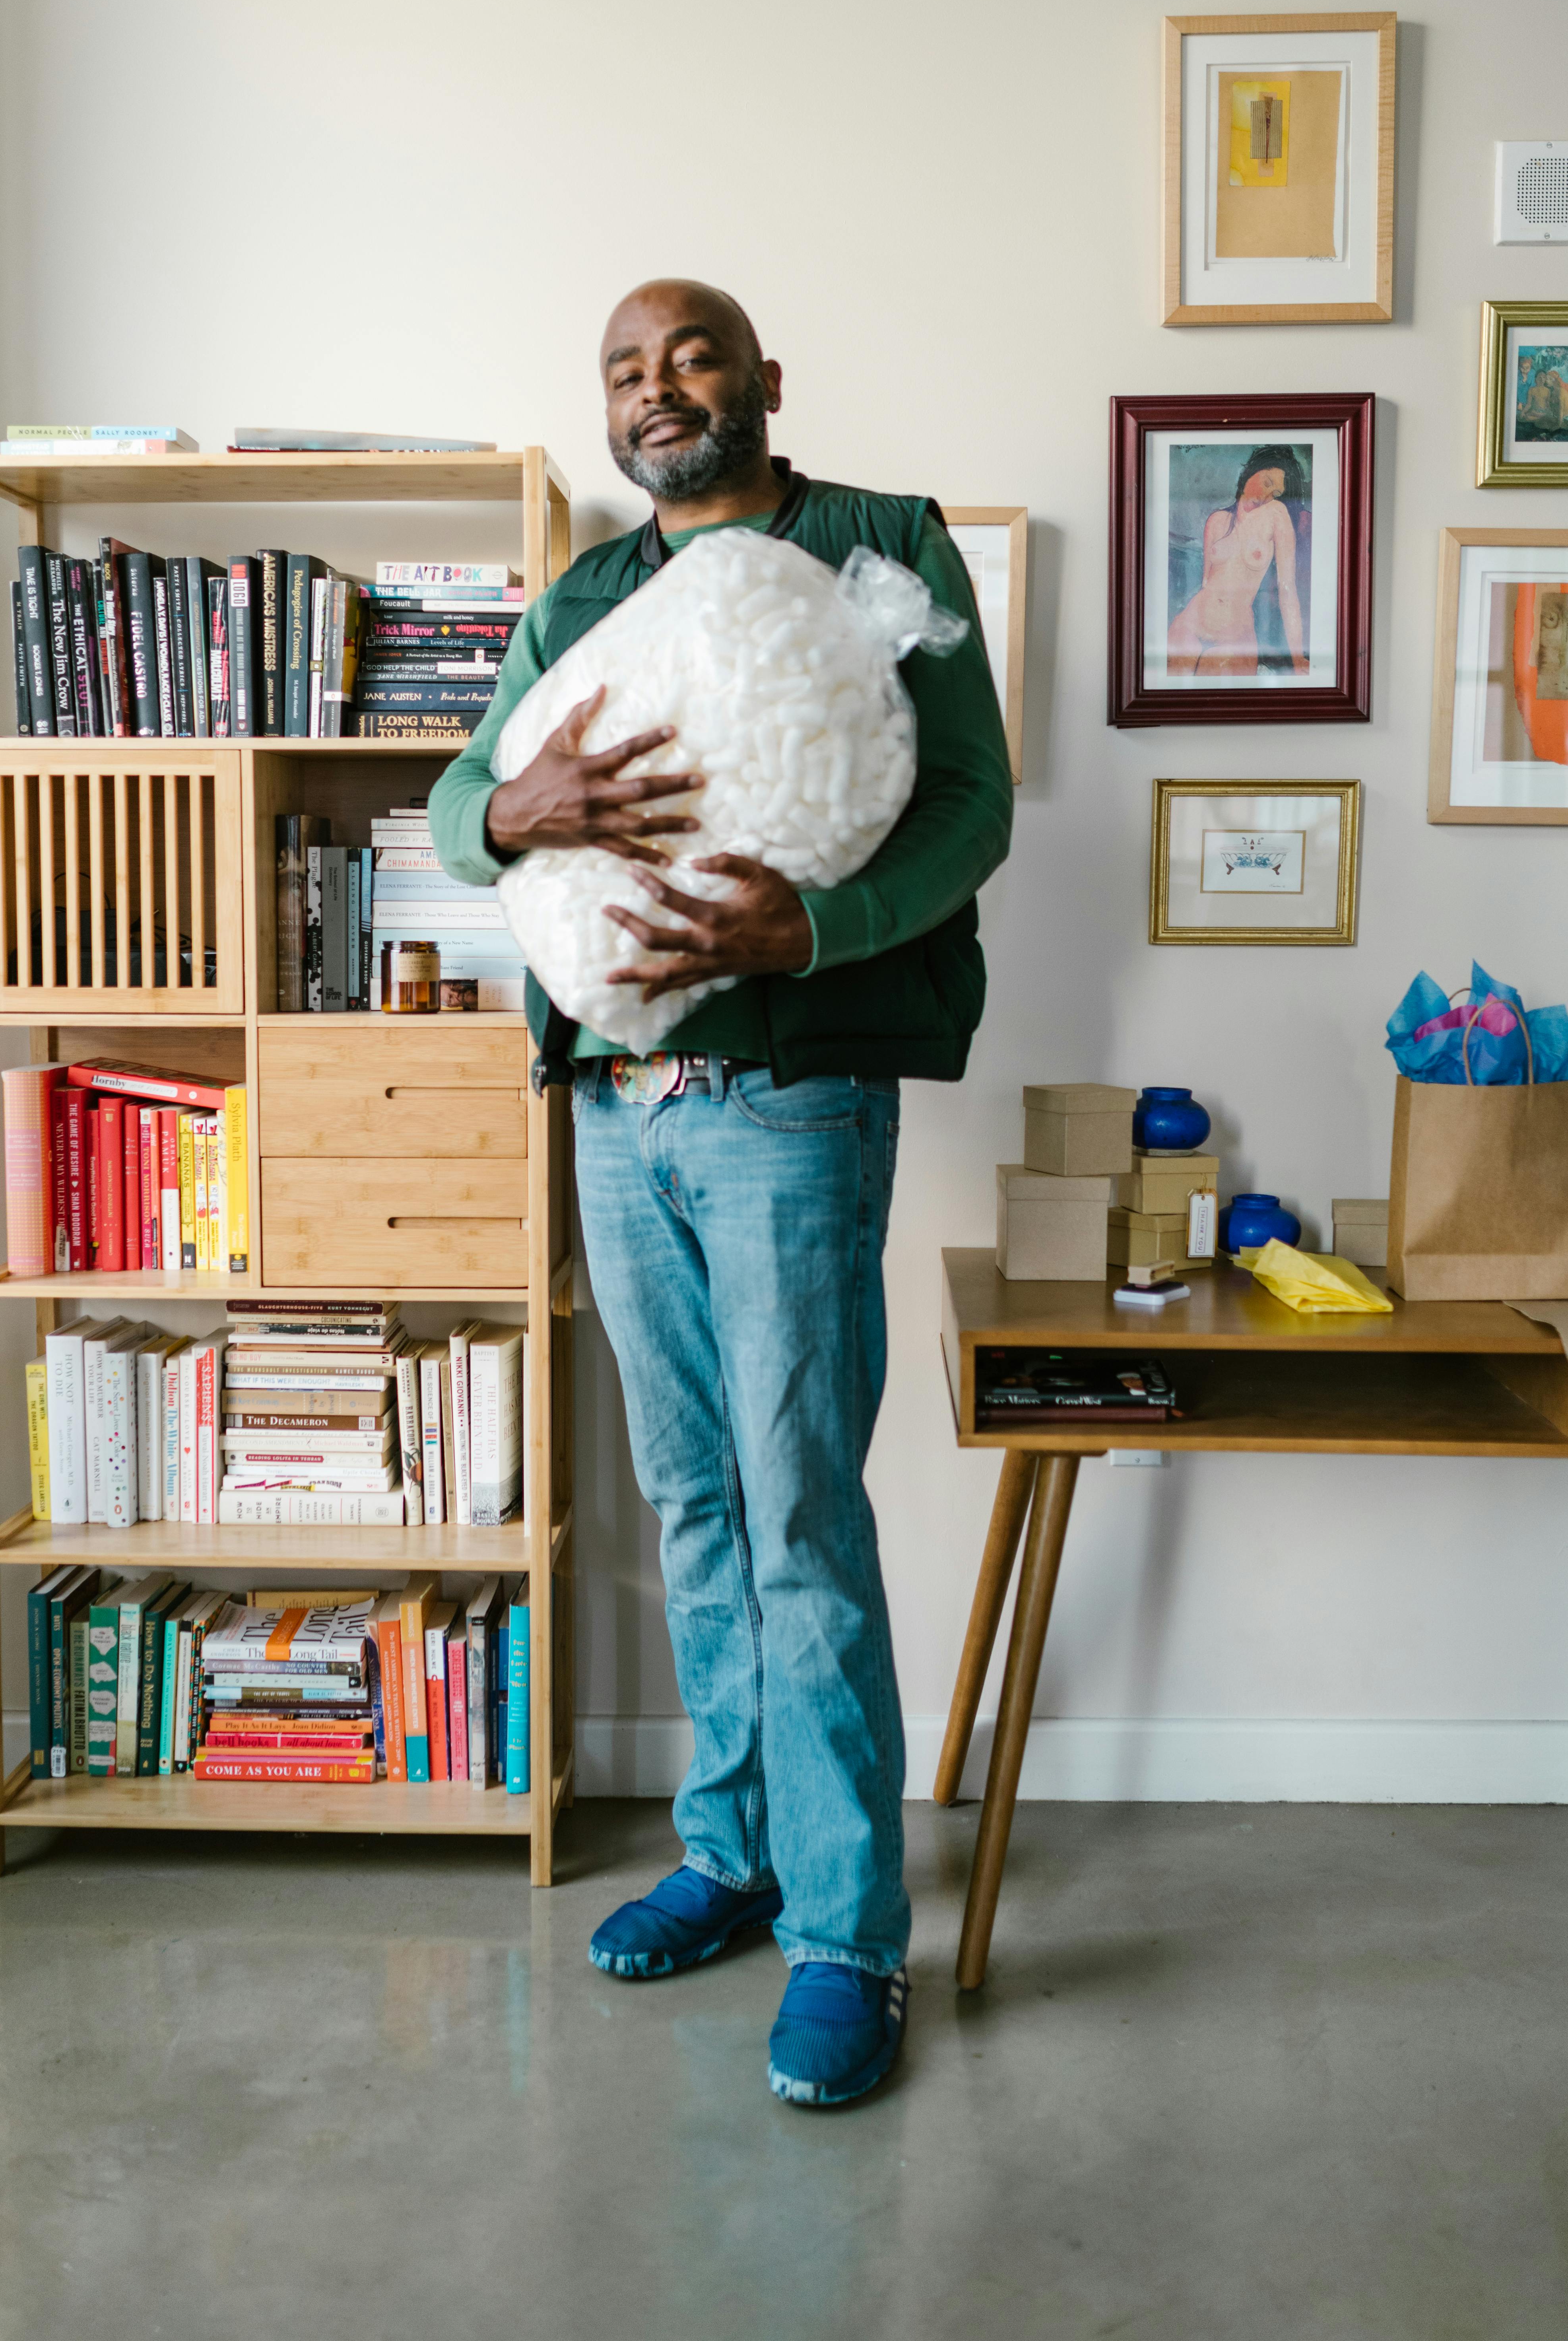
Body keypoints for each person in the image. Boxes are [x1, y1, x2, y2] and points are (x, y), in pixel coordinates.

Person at [429, 279, 1012, 2105]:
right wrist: (510, 814)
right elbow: (457, 801)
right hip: (614, 1102)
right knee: (689, 1495)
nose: (655, 385)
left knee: (794, 1509)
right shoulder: (580, 602)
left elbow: (972, 802)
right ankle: (731, 1845)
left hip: (788, 1098)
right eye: (622, 367)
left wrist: (813, 924)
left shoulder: (879, 544)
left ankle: (844, 1930)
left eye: (689, 353)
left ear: (763, 380)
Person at [1166, 445, 1306, 679]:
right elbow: (1206, 583)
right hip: (1191, 624)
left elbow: (1288, 591)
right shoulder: (1217, 520)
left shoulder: (1276, 515)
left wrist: (1298, 657)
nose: (1267, 496)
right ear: (1252, 472)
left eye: (1276, 493)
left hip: (1235, 635)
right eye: (1268, 482)